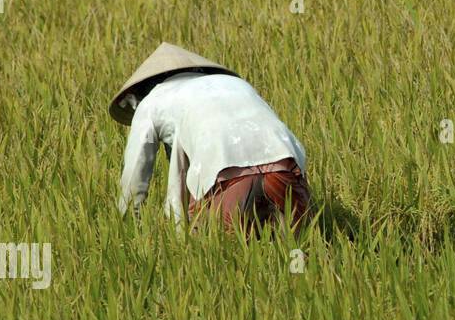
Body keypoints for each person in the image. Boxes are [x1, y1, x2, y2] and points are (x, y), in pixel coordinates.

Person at [111, 43, 310, 231]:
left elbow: (134, 178)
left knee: (221, 252)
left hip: (225, 174)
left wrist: (128, 227)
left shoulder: (151, 102)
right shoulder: (234, 83)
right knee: (295, 247)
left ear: (141, 91)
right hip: (285, 166)